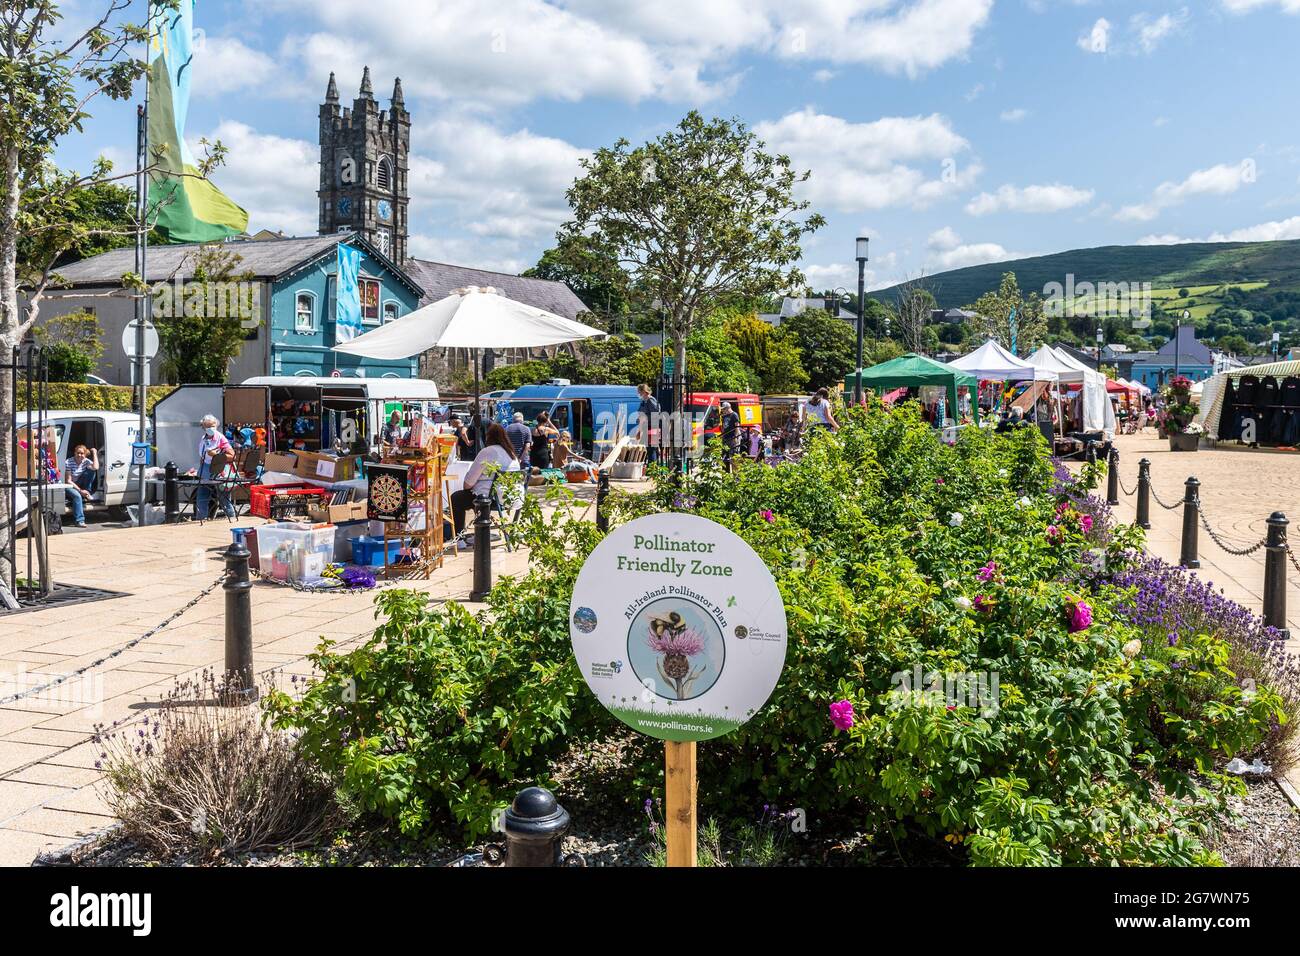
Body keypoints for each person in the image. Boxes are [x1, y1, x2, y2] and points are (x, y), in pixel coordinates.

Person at [450, 422, 520, 544]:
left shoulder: (488, 452)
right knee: (473, 496)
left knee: (457, 498)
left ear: (488, 437)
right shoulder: (512, 454)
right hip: (513, 497)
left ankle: (459, 539)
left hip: (492, 498)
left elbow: (468, 483)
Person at [196, 414, 236, 520]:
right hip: (205, 469)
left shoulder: (220, 438)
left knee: (224, 498)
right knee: (202, 496)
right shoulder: (203, 438)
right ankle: (200, 519)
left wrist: (216, 455)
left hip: (218, 469)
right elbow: (202, 455)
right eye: (207, 426)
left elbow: (232, 456)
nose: (210, 429)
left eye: (212, 426)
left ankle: (232, 517)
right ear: (203, 427)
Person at [63, 444, 99, 528]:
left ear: (85, 454)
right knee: (77, 496)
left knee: (91, 471)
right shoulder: (69, 462)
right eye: (78, 453)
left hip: (80, 484)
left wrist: (94, 453)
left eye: (82, 453)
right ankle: (79, 521)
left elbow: (96, 467)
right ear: (74, 453)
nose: (80, 455)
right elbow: (68, 481)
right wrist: (80, 490)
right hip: (70, 485)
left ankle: (87, 492)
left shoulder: (85, 461)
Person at [636, 383, 661, 464]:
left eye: (640, 392)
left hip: (652, 427)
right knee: (649, 450)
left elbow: (656, 414)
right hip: (647, 427)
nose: (639, 394)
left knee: (651, 450)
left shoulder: (651, 400)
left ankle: (653, 471)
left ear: (644, 391)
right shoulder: (644, 401)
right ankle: (651, 470)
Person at [719, 401, 740, 472]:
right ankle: (725, 474)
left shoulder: (734, 415)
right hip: (725, 438)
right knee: (724, 456)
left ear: (728, 408)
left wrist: (736, 437)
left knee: (734, 456)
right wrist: (722, 435)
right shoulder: (724, 416)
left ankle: (736, 475)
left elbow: (737, 426)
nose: (723, 410)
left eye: (724, 409)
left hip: (732, 437)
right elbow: (723, 427)